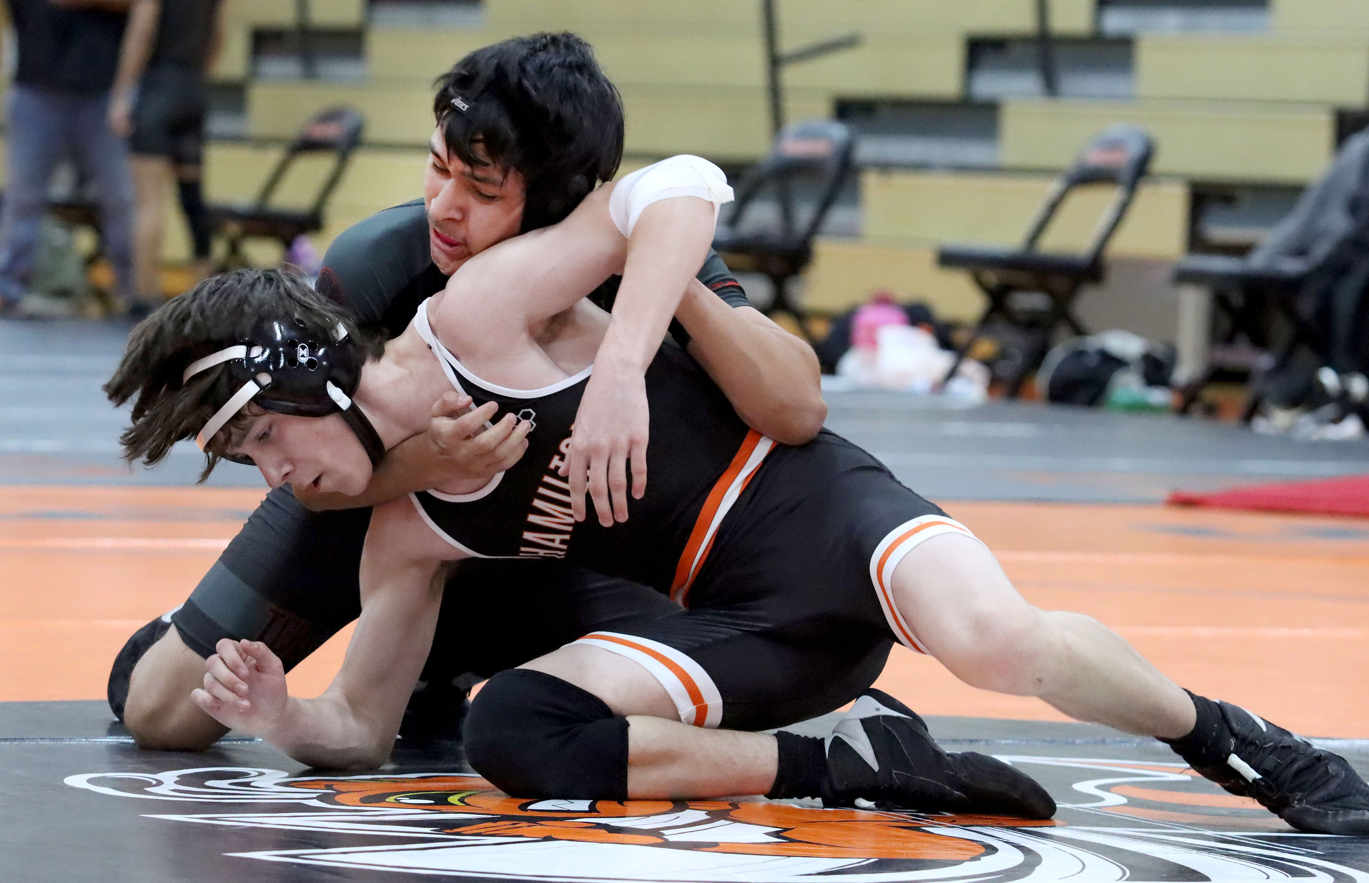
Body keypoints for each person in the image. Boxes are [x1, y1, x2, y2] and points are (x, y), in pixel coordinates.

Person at [108, 154, 1369, 836]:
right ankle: (857, 769)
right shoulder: (400, 524)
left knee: (1002, 645)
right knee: (516, 735)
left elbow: (680, 183)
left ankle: (1226, 738)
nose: (271, 477)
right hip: (725, 630)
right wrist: (283, 717)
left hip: (812, 516)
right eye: (251, 462)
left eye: (267, 440)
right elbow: (363, 728)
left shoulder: (474, 310)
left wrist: (616, 369)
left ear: (322, 378)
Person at [106, 33, 829, 754]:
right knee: (163, 710)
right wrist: (424, 465)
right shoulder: (380, 266)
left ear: (555, 202)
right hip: (377, 514)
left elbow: (798, 408)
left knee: (680, 707)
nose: (444, 208)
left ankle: (447, 656)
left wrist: (661, 298)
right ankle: (378, 638)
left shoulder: (640, 236)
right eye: (436, 167)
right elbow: (312, 472)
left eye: (482, 191)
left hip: (568, 528)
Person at [0, 0, 136, 315]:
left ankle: (131, 289)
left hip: (102, 91)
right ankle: (8, 286)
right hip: (36, 89)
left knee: (119, 198)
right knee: (23, 197)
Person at [107, 0, 225, 311]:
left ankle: (144, 295)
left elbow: (142, 32)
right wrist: (197, 77)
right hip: (193, 88)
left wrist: (121, 92)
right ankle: (206, 295)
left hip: (158, 88)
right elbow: (218, 36)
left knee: (149, 202)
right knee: (193, 199)